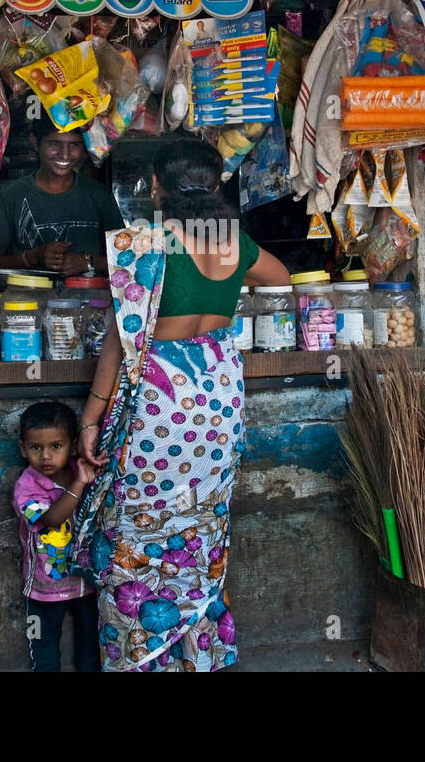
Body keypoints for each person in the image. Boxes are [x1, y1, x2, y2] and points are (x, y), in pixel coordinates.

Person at [74, 136, 289, 671]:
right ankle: (197, 654)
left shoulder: (143, 245)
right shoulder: (233, 242)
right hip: (216, 401)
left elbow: (117, 343)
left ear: (155, 186)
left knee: (137, 525)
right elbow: (282, 281)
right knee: (202, 525)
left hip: (159, 404)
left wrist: (90, 417)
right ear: (215, 186)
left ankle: (141, 655)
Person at [13, 401, 101, 672]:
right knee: (44, 650)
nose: (46, 456)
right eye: (36, 448)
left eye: (56, 446)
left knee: (90, 647)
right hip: (44, 588)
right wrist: (78, 485)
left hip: (86, 583)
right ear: (23, 449)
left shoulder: (81, 470)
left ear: (73, 446)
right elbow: (51, 520)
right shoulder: (26, 488)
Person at [0, 120, 124, 276]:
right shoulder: (10, 196)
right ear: (35, 142)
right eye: (55, 143)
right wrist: (31, 257)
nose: (65, 154)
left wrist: (87, 261)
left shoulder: (99, 196)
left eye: (74, 145)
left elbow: (125, 259)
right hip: (27, 299)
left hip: (93, 299)